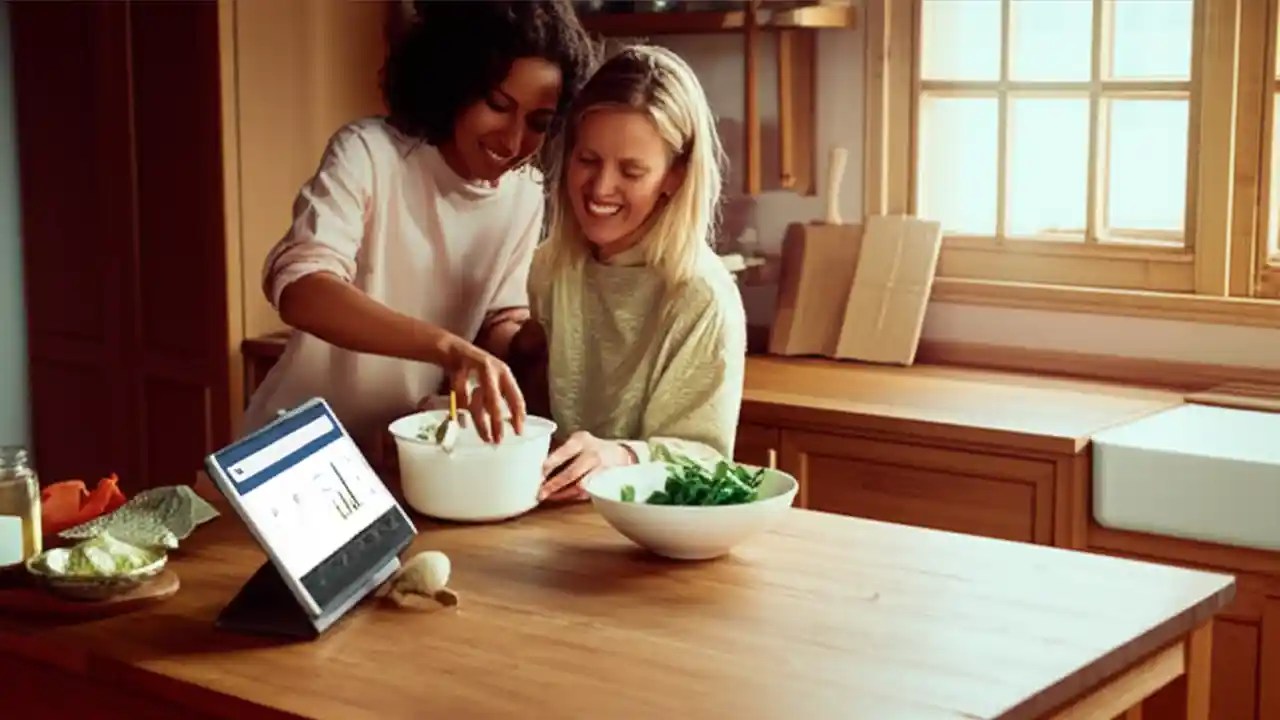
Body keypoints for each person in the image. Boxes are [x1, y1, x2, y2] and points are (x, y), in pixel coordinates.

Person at [240, 1, 597, 456]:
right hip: (294, 451)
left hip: (398, 456)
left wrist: (540, 340)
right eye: (497, 106)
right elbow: (301, 289)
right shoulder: (370, 153)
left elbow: (497, 323)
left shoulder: (524, 192)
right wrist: (447, 348)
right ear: (455, 85)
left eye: (538, 123)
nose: (512, 141)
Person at [518, 45, 748, 503]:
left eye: (631, 170)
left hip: (651, 540)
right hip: (559, 526)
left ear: (674, 177)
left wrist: (621, 457)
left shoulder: (701, 296)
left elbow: (708, 461)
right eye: (588, 160)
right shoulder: (552, 266)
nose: (601, 187)